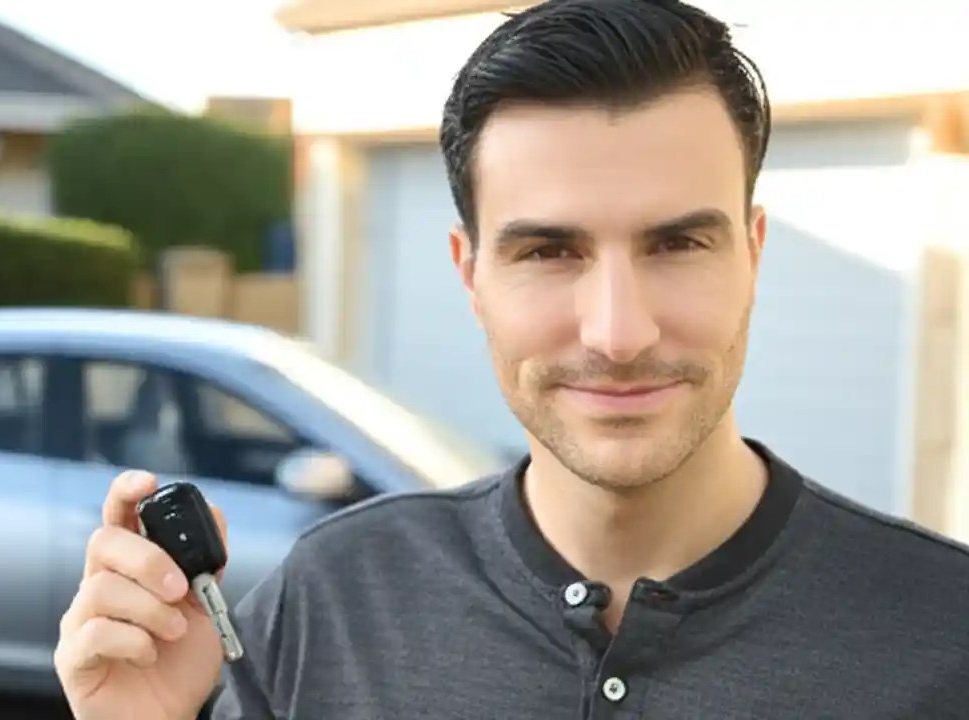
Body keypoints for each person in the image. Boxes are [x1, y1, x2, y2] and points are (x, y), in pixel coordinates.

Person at [53, 0, 969, 717]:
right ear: (471, 273)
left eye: (678, 245)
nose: (618, 332)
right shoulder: (331, 600)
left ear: (753, 256)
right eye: (549, 252)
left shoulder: (944, 639)